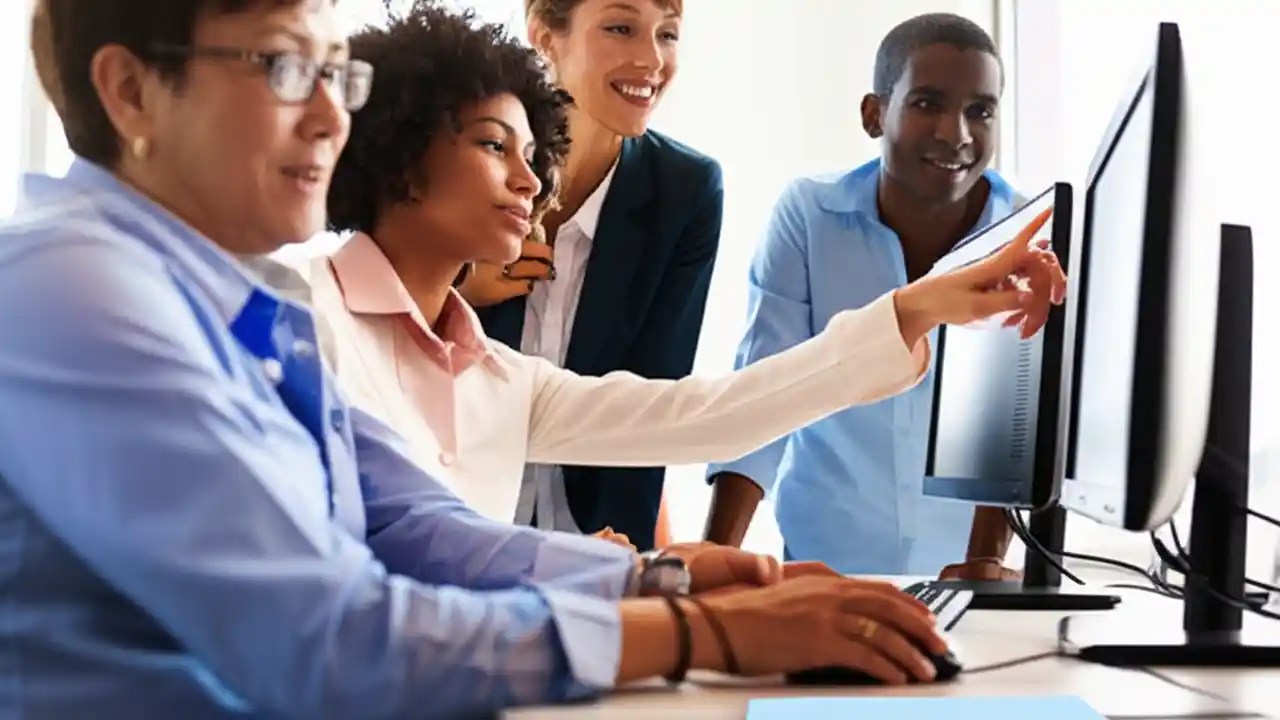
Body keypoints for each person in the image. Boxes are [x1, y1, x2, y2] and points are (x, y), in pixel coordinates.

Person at [0, 0, 1061, 716]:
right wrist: (695, 631)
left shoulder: (244, 300)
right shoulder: (79, 290)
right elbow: (321, 631)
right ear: (132, 94)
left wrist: (661, 574)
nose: (329, 113)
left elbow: (418, 527)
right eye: (284, 69)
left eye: (334, 74)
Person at [308, 4, 1059, 556]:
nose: (530, 181)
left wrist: (915, 306)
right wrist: (598, 576)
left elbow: (713, 412)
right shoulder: (299, 316)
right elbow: (396, 553)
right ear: (403, 159)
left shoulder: (502, 378)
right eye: (493, 146)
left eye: (529, 150)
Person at [704, 13, 1029, 578]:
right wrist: (711, 561)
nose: (956, 133)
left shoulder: (1028, 234)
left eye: (981, 111)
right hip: (822, 567)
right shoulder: (809, 216)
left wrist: (984, 562)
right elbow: (764, 390)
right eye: (928, 103)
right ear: (874, 114)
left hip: (959, 576)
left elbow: (1014, 428)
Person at [457, 0, 716, 551]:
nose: (652, 60)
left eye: (668, 35)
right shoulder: (464, 155)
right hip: (457, 527)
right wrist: (457, 286)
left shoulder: (686, 192)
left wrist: (622, 562)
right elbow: (383, 339)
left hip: (598, 537)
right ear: (544, 35)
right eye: (621, 28)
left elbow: (654, 399)